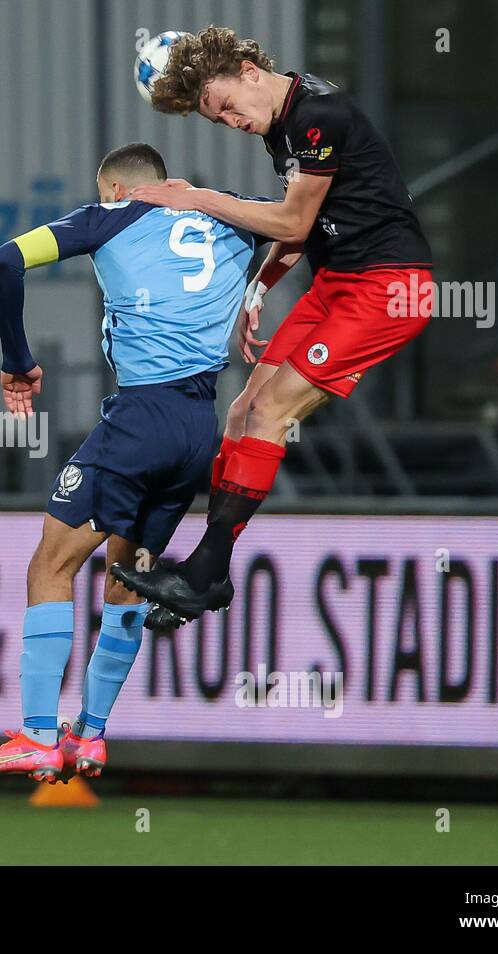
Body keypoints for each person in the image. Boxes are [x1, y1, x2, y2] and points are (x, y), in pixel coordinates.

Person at [0, 143, 263, 782]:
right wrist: (263, 285)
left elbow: (4, 260)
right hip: (196, 427)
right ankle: (91, 735)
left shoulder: (112, 216)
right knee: (130, 573)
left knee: (51, 563)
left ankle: (40, 734)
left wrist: (17, 360)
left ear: (118, 188)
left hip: (139, 420)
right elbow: (303, 218)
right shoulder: (237, 219)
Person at [112, 25, 434, 622]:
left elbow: (290, 221)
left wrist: (198, 198)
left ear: (248, 70)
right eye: (217, 119)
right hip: (338, 284)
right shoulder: (284, 125)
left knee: (270, 412)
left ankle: (206, 572)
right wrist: (259, 284)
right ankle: (206, 572)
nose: (230, 121)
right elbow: (302, 229)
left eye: (227, 106)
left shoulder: (319, 115)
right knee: (241, 411)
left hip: (390, 291)